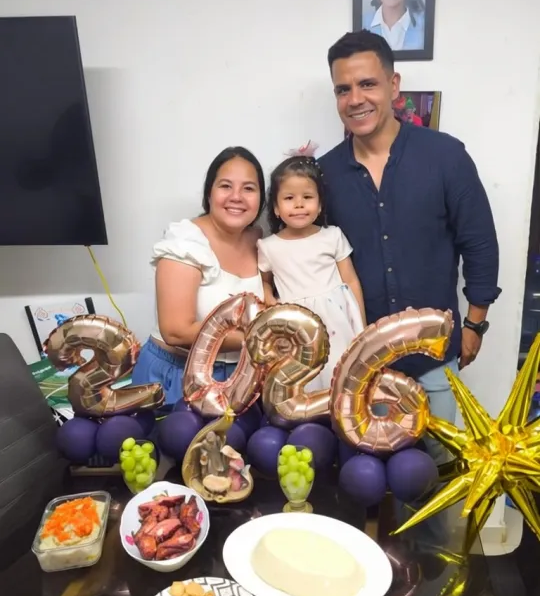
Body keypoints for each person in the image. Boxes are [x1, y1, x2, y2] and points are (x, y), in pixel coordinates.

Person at [318, 30, 501, 463]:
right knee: (359, 486)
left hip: (432, 361)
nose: (355, 99)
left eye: (367, 84)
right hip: (358, 370)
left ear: (394, 85)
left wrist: (474, 325)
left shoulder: (445, 156)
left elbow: (479, 242)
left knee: (434, 482)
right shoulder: (323, 175)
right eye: (343, 89)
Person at [131, 147, 266, 407]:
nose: (236, 197)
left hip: (242, 380)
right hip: (179, 377)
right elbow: (176, 331)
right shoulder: (185, 241)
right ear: (209, 192)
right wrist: (262, 340)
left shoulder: (258, 239)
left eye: (249, 188)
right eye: (225, 186)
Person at [257, 145, 366, 391]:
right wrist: (271, 301)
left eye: (307, 197)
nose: (298, 205)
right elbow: (263, 281)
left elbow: (351, 280)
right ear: (275, 207)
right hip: (298, 325)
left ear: (319, 205)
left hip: (337, 319)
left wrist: (361, 326)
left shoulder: (332, 236)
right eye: (288, 198)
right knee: (304, 381)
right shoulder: (268, 247)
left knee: (343, 380)